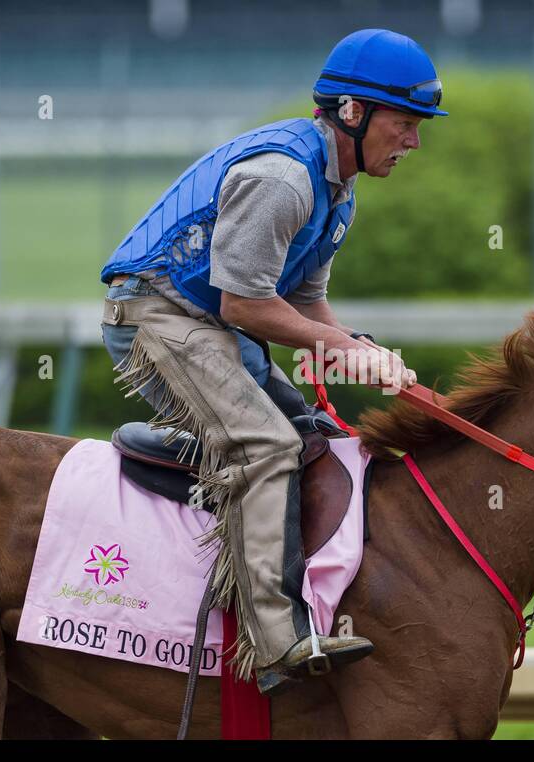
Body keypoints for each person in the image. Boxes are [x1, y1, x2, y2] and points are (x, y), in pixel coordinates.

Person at [98, 28, 444, 696]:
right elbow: (244, 306)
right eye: (404, 124)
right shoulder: (284, 180)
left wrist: (358, 351)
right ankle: (277, 642)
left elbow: (304, 302)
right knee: (266, 448)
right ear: (354, 112)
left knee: (313, 436)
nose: (414, 142)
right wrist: (341, 349)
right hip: (156, 317)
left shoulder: (338, 191)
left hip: (206, 322)